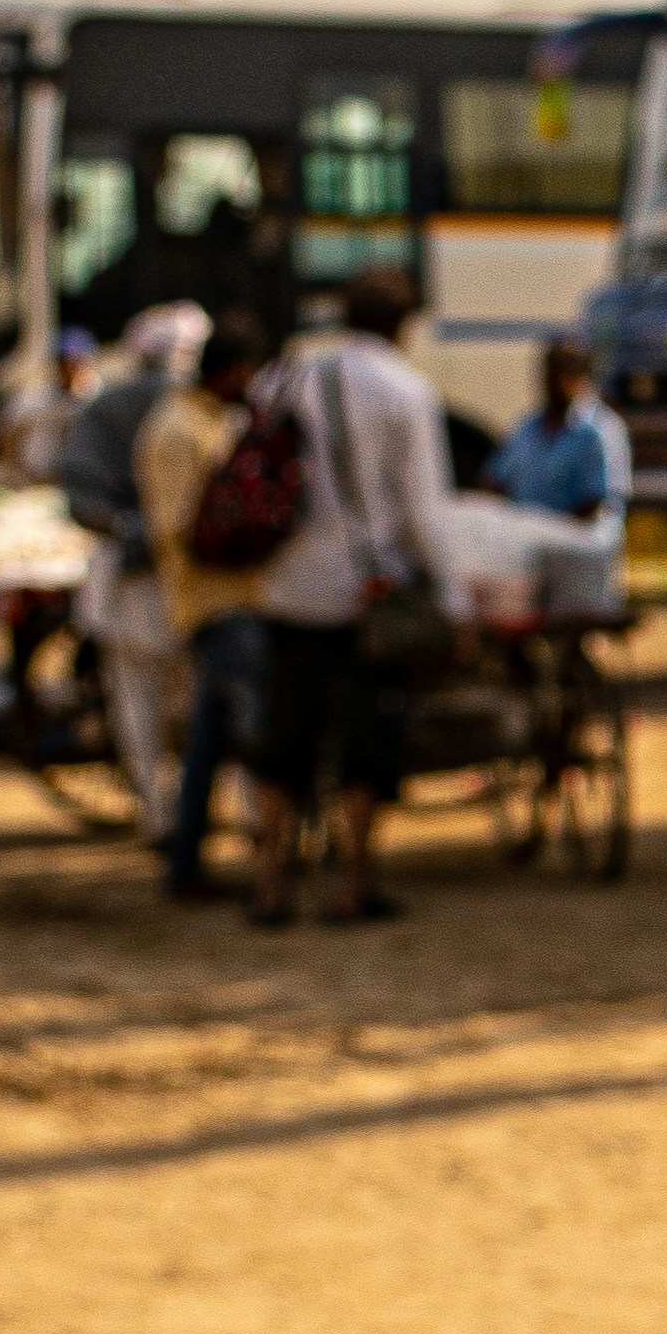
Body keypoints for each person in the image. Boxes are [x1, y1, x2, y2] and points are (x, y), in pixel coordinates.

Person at [242, 273, 455, 931]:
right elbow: (423, 508)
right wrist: (453, 594)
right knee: (366, 743)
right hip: (365, 592)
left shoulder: (279, 378)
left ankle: (271, 885)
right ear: (401, 326)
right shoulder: (404, 391)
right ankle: (354, 884)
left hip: (284, 586)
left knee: (285, 740)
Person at [136, 305, 272, 900]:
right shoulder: (180, 430)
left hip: (223, 598)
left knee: (208, 741)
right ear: (235, 368)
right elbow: (179, 528)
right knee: (252, 732)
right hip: (215, 600)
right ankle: (269, 861)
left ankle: (186, 863)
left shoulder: (206, 420)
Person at [69, 305, 210, 828]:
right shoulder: (205, 410)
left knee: (139, 704)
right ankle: (199, 813)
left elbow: (82, 497)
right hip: (189, 580)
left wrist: (131, 531)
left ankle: (161, 815)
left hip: (133, 584)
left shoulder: (105, 409)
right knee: (199, 702)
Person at [490, 334, 629, 609]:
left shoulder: (600, 430)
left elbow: (593, 503)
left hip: (578, 540)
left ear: (583, 377)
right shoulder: (528, 428)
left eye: (565, 370)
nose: (554, 379)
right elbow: (495, 480)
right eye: (550, 370)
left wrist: (539, 529)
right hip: (528, 541)